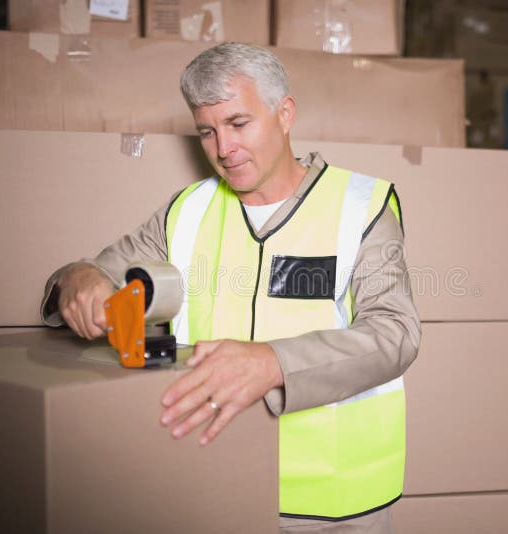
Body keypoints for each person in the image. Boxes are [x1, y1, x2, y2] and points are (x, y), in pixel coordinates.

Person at [40, 42, 420, 533]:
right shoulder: (188, 210)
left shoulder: (361, 206)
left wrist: (273, 362)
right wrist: (78, 279)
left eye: (239, 124)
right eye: (207, 131)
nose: (223, 149)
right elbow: (95, 273)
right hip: (208, 486)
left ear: (285, 114)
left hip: (331, 503)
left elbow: (395, 333)